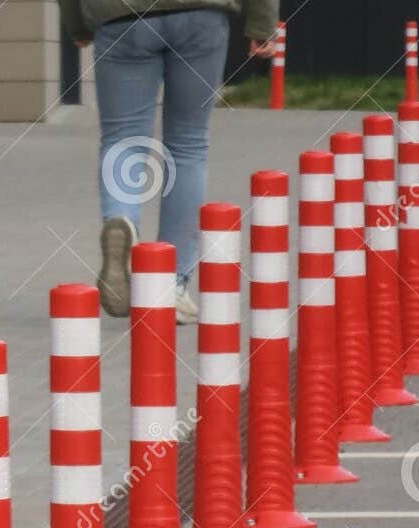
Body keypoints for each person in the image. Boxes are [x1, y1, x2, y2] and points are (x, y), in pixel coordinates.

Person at [61, 0, 278, 323]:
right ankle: (172, 286)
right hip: (200, 15)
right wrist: (262, 24)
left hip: (120, 15)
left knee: (123, 139)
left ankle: (122, 220)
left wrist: (77, 22)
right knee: (188, 145)